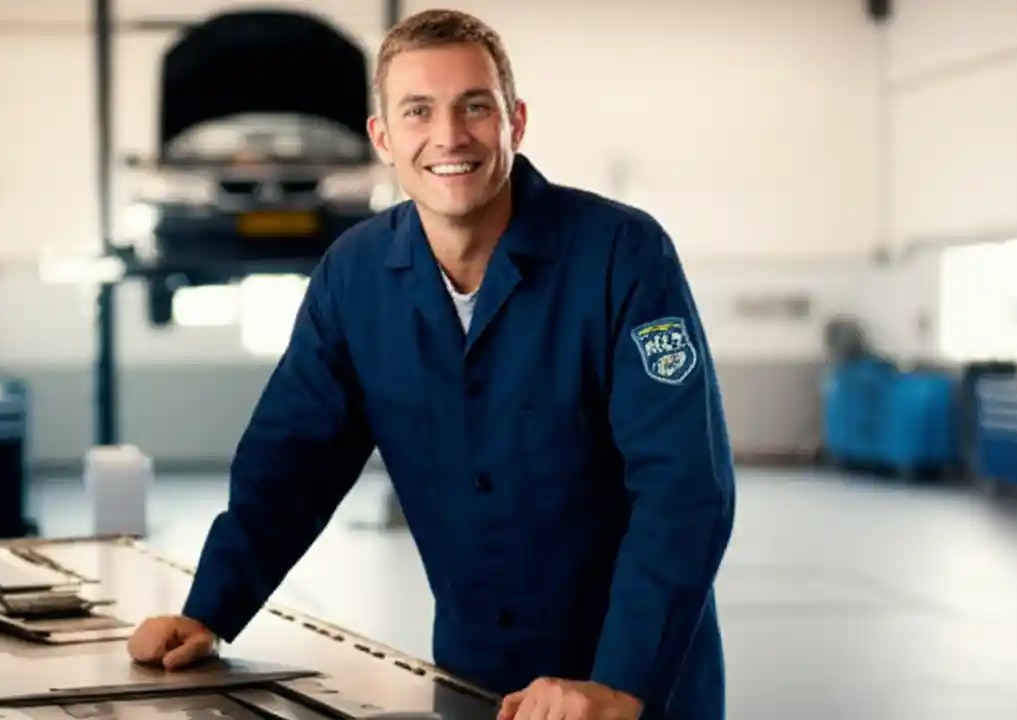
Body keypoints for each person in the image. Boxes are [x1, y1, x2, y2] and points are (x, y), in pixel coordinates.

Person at [128, 9, 735, 720]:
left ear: (515, 122)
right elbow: (291, 464)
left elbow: (683, 486)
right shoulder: (354, 278)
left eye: (475, 106)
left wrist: (620, 683)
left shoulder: (620, 255)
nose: (449, 136)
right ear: (382, 137)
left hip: (633, 690)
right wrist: (209, 610)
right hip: (475, 683)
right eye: (418, 111)